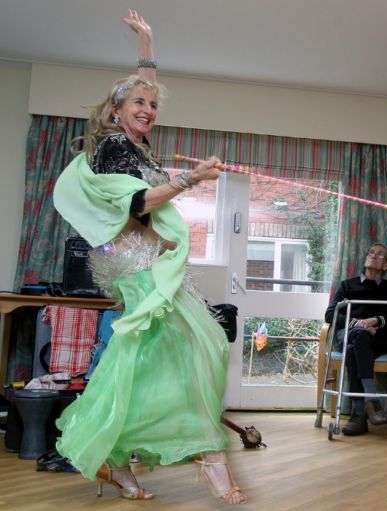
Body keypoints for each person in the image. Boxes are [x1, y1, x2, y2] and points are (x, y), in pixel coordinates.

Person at [52, 11, 245, 504]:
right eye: (139, 103)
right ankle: (209, 458)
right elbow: (137, 204)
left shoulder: (136, 145)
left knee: (156, 359)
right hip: (135, 263)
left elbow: (143, 91)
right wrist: (188, 180)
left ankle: (116, 461)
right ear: (117, 111)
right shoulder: (115, 147)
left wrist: (148, 43)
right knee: (190, 346)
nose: (148, 109)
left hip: (148, 261)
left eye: (153, 105)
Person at [325, 243, 387, 436]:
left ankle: (358, 414)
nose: (373, 256)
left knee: (354, 349)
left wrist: (376, 320)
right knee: (359, 335)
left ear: (386, 265)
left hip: (376, 341)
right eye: (371, 253)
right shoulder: (347, 284)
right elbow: (330, 315)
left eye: (380, 254)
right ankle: (371, 399)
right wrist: (357, 324)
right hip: (346, 334)